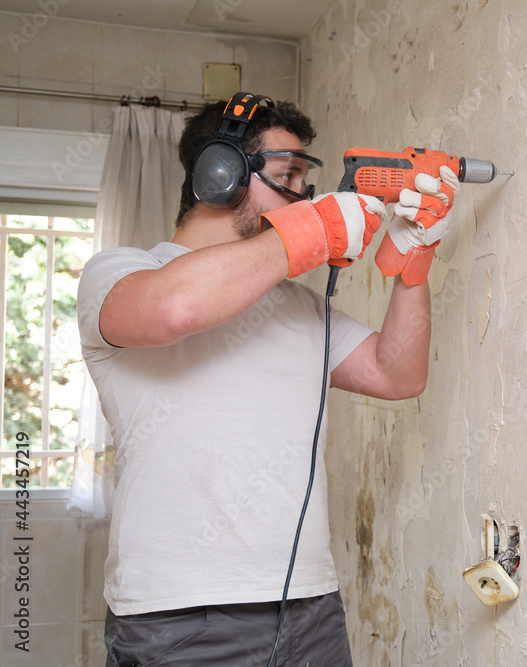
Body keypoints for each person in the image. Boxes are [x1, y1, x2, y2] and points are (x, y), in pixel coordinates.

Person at [78, 93, 459, 666]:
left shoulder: (296, 306)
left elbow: (396, 373)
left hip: (309, 605)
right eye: (288, 176)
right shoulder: (122, 273)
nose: (305, 195)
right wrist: (307, 232)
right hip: (180, 617)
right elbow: (173, 311)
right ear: (219, 174)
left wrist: (413, 261)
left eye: (305, 179)